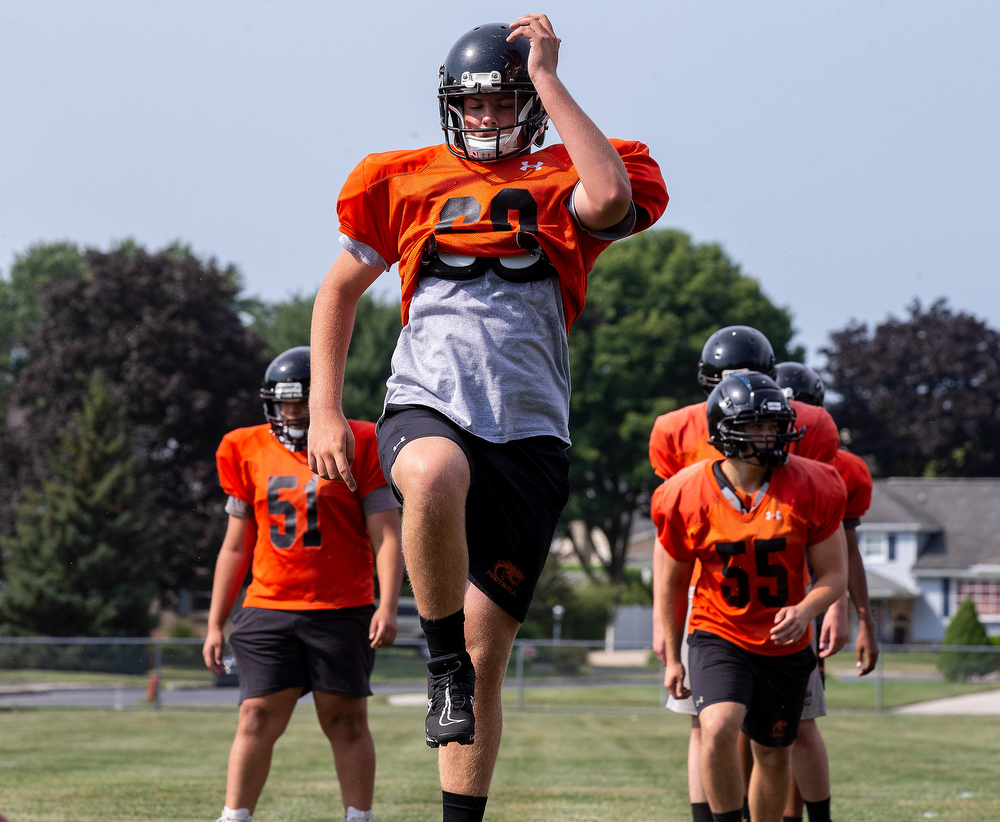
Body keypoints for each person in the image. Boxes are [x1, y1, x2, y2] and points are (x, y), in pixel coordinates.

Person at [307, 14, 667, 822]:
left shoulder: (570, 171)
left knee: (488, 657)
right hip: (427, 402)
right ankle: (439, 667)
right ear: (449, 107)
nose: (486, 120)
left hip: (533, 431)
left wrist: (546, 73)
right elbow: (337, 290)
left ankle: (460, 793)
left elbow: (610, 198)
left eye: (504, 103)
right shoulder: (399, 178)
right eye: (473, 107)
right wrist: (327, 410)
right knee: (433, 473)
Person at [647, 326, 843, 822]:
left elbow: (833, 574)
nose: (769, 436)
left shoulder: (814, 484)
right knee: (716, 726)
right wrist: (671, 655)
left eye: (774, 426)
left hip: (784, 642)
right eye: (755, 427)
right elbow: (671, 582)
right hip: (718, 630)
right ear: (723, 432)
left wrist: (806, 609)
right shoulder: (685, 493)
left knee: (773, 752)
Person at [203, 347, 404, 822]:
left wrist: (389, 604)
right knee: (254, 717)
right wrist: (214, 623)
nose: (292, 414)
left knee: (348, 721)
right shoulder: (243, 447)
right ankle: (235, 817)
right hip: (269, 606)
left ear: (324, 398)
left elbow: (387, 534)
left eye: (301, 404)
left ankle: (359, 817)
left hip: (342, 607)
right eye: (285, 404)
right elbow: (235, 546)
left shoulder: (362, 441)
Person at [773, 361, 879, 822]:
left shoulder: (842, 470)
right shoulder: (747, 460)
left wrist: (854, 615)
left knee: (795, 720)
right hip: (751, 600)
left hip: (808, 600)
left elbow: (846, 551)